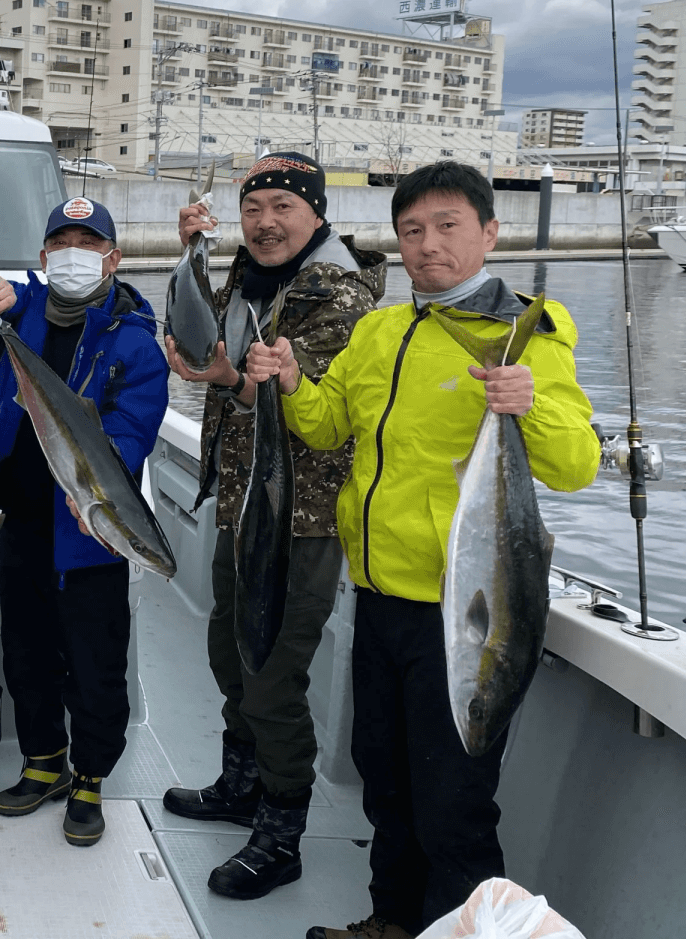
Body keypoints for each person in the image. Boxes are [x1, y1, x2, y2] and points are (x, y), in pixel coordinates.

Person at [242, 162, 600, 939]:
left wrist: (527, 407)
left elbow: (576, 465)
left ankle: (457, 930)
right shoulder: (381, 329)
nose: (428, 245)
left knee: (454, 802)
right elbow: (329, 425)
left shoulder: (528, 330)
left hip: (471, 612)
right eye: (412, 230)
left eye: (448, 227)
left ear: (488, 234)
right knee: (387, 780)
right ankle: (393, 922)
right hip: (378, 598)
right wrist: (296, 381)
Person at [159, 152, 385, 899]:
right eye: (253, 208)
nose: (263, 222)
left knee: (272, 673)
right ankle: (241, 784)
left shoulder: (341, 293)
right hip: (243, 503)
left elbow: (302, 399)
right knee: (230, 652)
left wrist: (228, 379)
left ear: (317, 214)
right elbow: (204, 340)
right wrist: (189, 253)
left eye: (283, 206)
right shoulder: (257, 280)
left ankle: (282, 830)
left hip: (304, 521)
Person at [0, 196, 169, 848]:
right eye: (63, 243)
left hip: (87, 530)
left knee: (94, 665)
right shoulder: (21, 307)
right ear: (45, 258)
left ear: (113, 258)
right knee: (27, 652)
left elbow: (133, 423)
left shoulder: (132, 332)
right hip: (20, 523)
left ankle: (89, 779)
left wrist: (97, 482)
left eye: (89, 242)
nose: (76, 254)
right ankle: (42, 763)